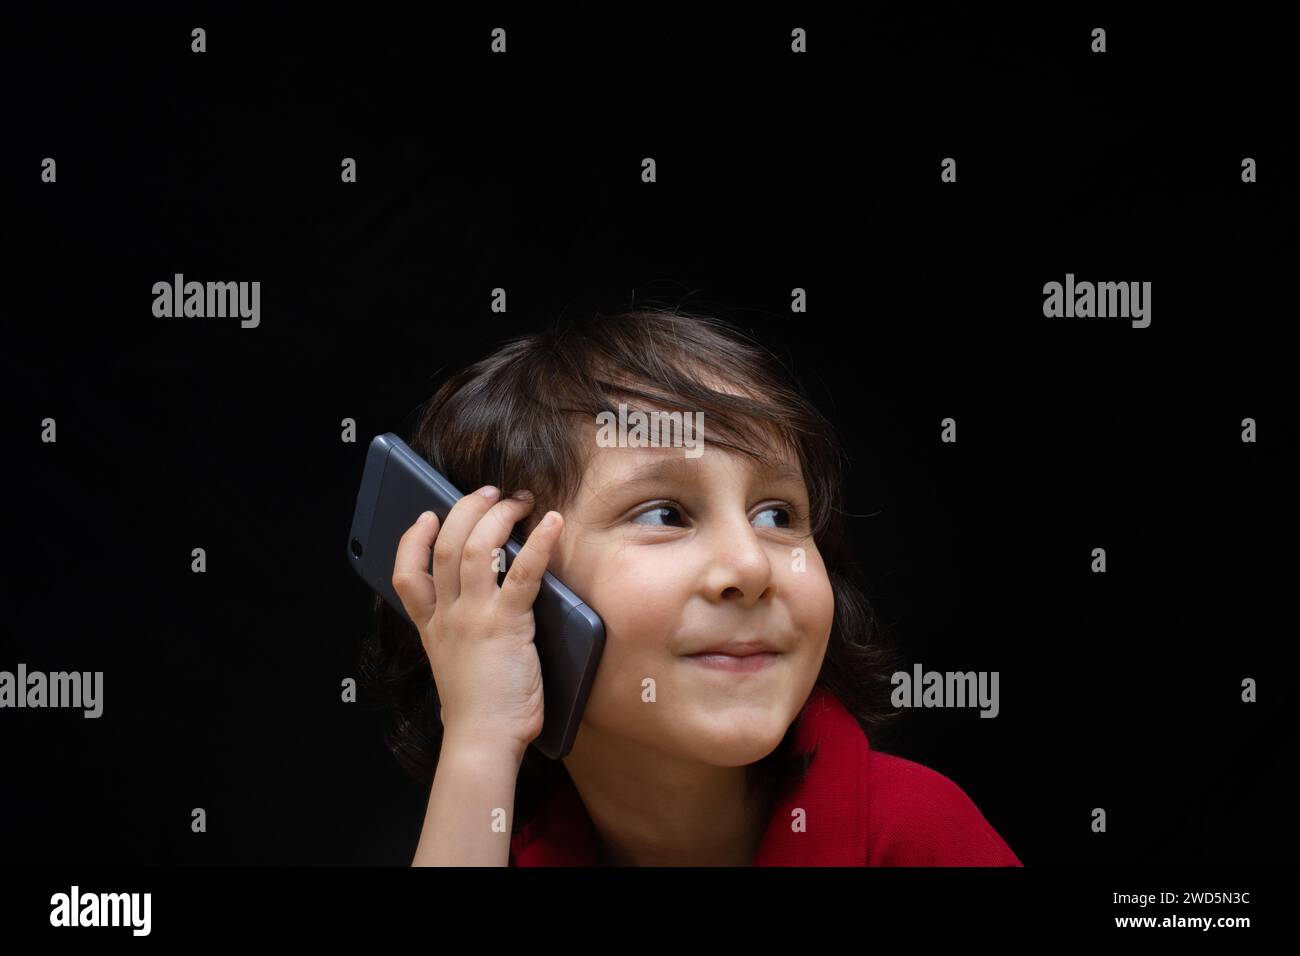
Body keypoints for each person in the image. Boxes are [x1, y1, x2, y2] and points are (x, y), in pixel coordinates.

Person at [361, 304, 1021, 866]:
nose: (751, 567)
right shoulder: (497, 841)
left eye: (778, 515)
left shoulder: (917, 834)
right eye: (665, 515)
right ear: (508, 584)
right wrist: (480, 733)